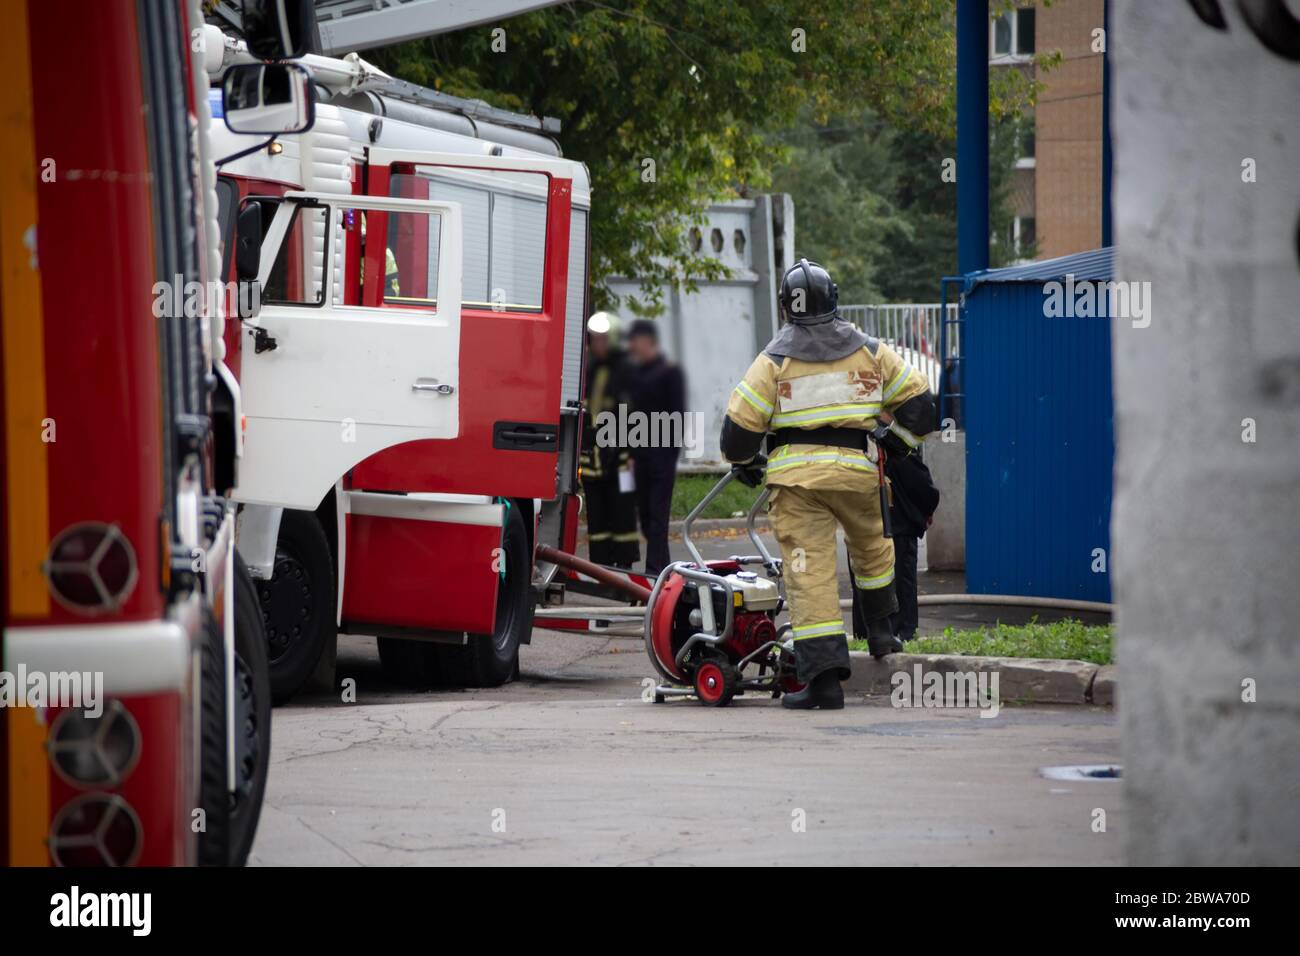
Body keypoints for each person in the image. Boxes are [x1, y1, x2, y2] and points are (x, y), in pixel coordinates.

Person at [720, 258, 936, 710]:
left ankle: (824, 683)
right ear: (834, 300)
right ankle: (882, 634)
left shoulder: (773, 360)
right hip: (858, 473)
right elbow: (922, 409)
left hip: (799, 483)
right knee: (874, 549)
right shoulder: (871, 351)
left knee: (809, 571)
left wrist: (746, 463)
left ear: (785, 307)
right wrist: (892, 442)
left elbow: (737, 431)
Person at [850, 410, 940, 644]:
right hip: (896, 526)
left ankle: (865, 636)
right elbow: (920, 485)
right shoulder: (896, 446)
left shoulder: (852, 441)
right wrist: (925, 511)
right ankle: (901, 635)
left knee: (864, 581)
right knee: (900, 585)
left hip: (859, 524)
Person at [625, 319, 686, 578]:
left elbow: (678, 414)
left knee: (658, 516)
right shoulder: (636, 375)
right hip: (639, 455)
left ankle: (652, 573)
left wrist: (668, 455)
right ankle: (666, 570)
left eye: (634, 340)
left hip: (661, 455)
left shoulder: (670, 373)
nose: (631, 346)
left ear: (648, 341)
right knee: (646, 515)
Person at [580, 312, 640, 568]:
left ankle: (624, 565)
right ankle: (601, 565)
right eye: (594, 339)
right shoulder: (588, 369)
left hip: (623, 460)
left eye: (603, 339)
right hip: (592, 458)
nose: (598, 344)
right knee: (597, 513)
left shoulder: (627, 369)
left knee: (623, 509)